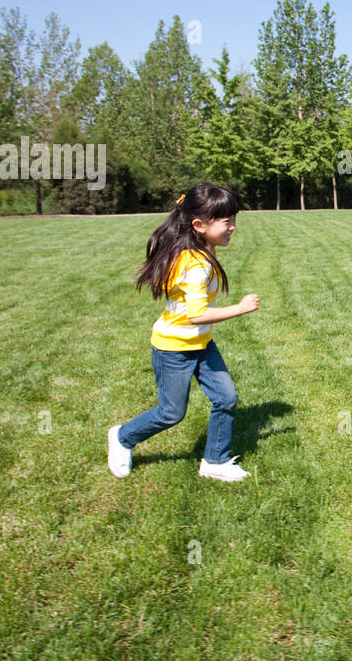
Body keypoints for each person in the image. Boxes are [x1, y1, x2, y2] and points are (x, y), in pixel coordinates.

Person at [108, 184, 259, 482]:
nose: (233, 227)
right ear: (199, 225)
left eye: (234, 218)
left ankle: (215, 461)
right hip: (173, 348)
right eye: (226, 221)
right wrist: (241, 308)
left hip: (201, 344)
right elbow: (197, 315)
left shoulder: (201, 250)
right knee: (171, 413)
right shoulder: (195, 264)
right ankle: (123, 437)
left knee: (226, 397)